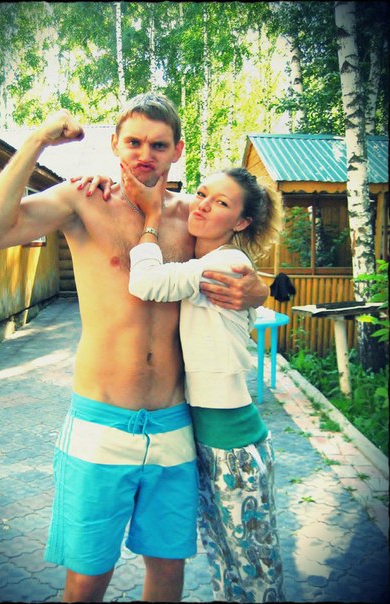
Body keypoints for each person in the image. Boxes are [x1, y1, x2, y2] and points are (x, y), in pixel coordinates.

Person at [0, 93, 269, 603]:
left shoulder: (191, 219)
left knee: (168, 570)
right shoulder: (82, 199)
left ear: (177, 150)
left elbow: (238, 262)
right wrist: (38, 140)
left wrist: (259, 290)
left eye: (158, 145)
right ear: (114, 144)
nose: (144, 154)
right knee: (87, 579)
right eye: (133, 142)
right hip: (100, 425)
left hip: (173, 424)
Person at [120, 161, 286, 602]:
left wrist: (151, 220)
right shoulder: (207, 263)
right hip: (212, 438)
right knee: (226, 562)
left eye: (222, 203)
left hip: (233, 443)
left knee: (253, 569)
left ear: (241, 222)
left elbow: (145, 282)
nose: (204, 205)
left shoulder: (226, 262)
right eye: (202, 193)